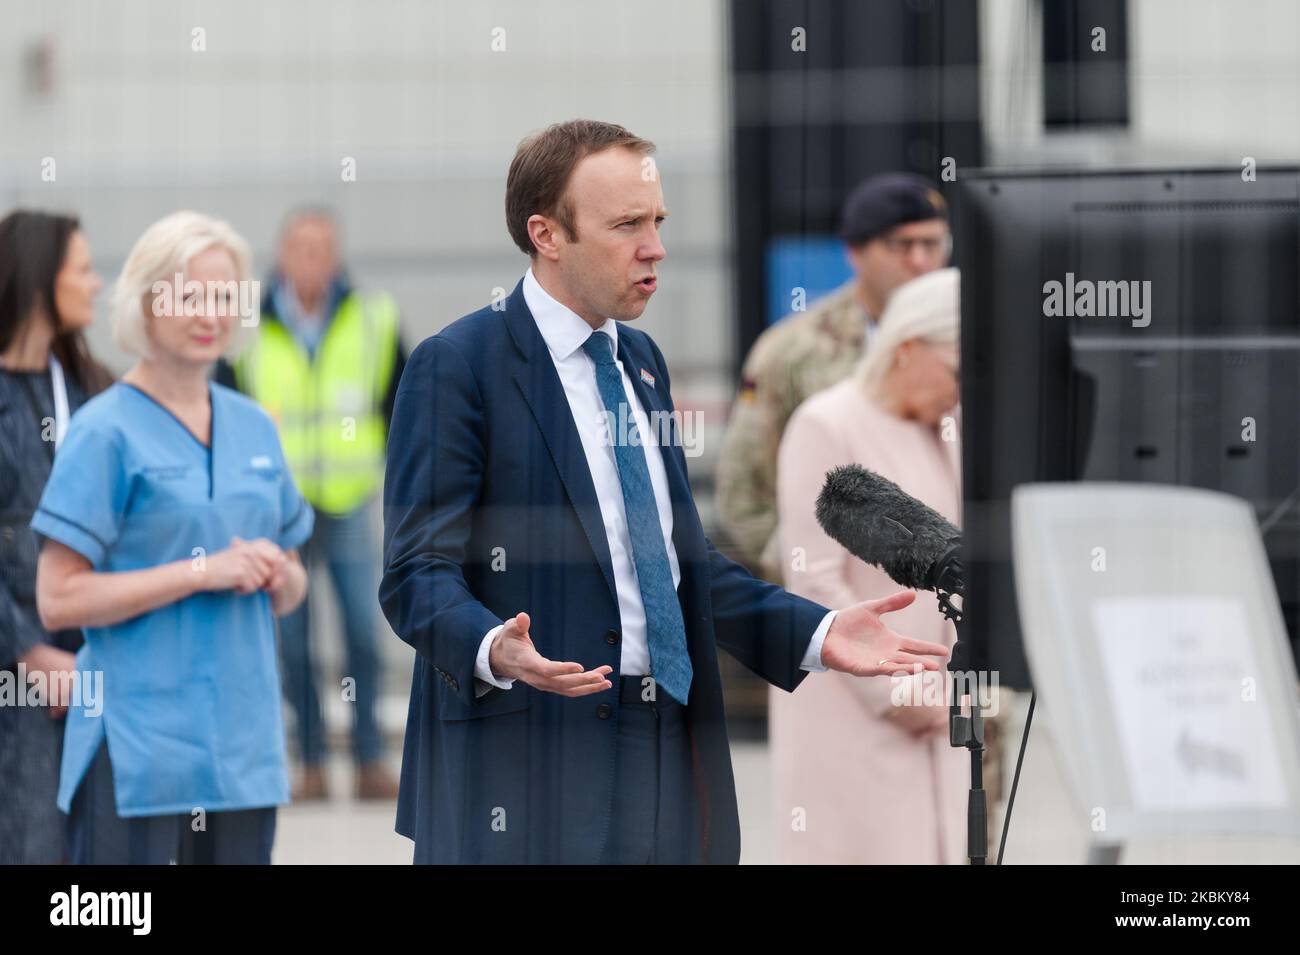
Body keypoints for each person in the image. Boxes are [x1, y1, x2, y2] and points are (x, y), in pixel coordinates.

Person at [380, 119, 951, 865]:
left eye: (658, 222)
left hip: (666, 749)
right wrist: (493, 646)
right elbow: (415, 572)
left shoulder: (640, 362)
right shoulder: (457, 365)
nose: (655, 247)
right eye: (626, 225)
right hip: (525, 758)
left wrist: (817, 632)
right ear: (546, 234)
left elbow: (680, 567)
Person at [31, 211, 314, 864]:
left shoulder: (255, 427)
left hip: (243, 749)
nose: (207, 311)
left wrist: (280, 574)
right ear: (145, 302)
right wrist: (201, 571)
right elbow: (58, 599)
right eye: (187, 294)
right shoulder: (104, 431)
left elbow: (293, 586)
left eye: (221, 294)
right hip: (138, 750)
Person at [770, 267, 969, 864]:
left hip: (939, 712)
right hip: (855, 711)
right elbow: (811, 573)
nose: (963, 389)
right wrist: (901, 692)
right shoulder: (826, 423)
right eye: (957, 369)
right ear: (908, 347)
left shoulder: (944, 431)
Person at [217, 208, 405, 801]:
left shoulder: (374, 319)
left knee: (361, 632)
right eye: (300, 249)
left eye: (322, 249)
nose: (311, 261)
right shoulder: (248, 330)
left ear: (336, 255)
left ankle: (371, 758)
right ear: (281, 253)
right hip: (277, 506)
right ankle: (314, 763)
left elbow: (401, 404)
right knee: (290, 639)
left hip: (350, 499)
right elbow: (223, 411)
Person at [716, 173, 951, 584]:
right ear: (855, 251)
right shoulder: (791, 350)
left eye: (931, 244)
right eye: (901, 245)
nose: (919, 261)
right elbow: (744, 493)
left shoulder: (972, 342)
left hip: (945, 583)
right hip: (836, 595)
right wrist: (806, 576)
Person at [0, 210, 111, 863]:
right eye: (83, 270)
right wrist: (28, 654)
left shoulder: (90, 392)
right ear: (42, 279)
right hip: (23, 677)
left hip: (88, 672)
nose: (97, 284)